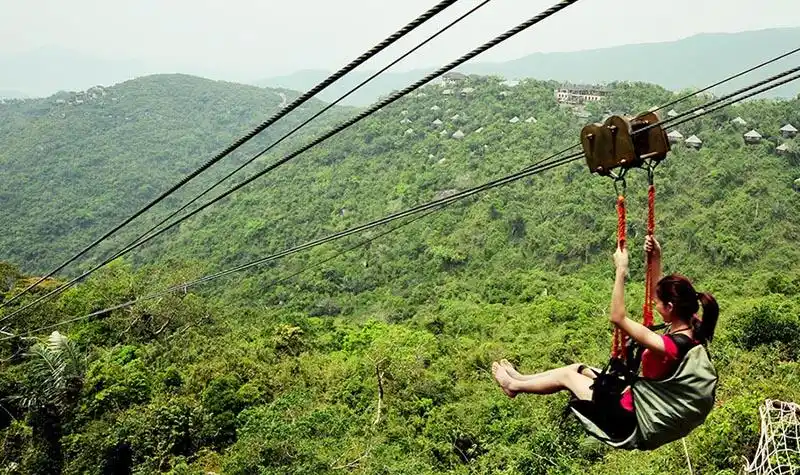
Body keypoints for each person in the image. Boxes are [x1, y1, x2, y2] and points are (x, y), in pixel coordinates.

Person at [492, 235, 719, 439]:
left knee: (567, 377)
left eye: (658, 303)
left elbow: (617, 317)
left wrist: (621, 270)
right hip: (633, 395)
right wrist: (655, 257)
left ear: (670, 307)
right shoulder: (692, 325)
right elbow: (658, 295)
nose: (654, 303)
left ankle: (513, 385)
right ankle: (521, 379)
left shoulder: (668, 346)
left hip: (628, 418)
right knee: (578, 368)